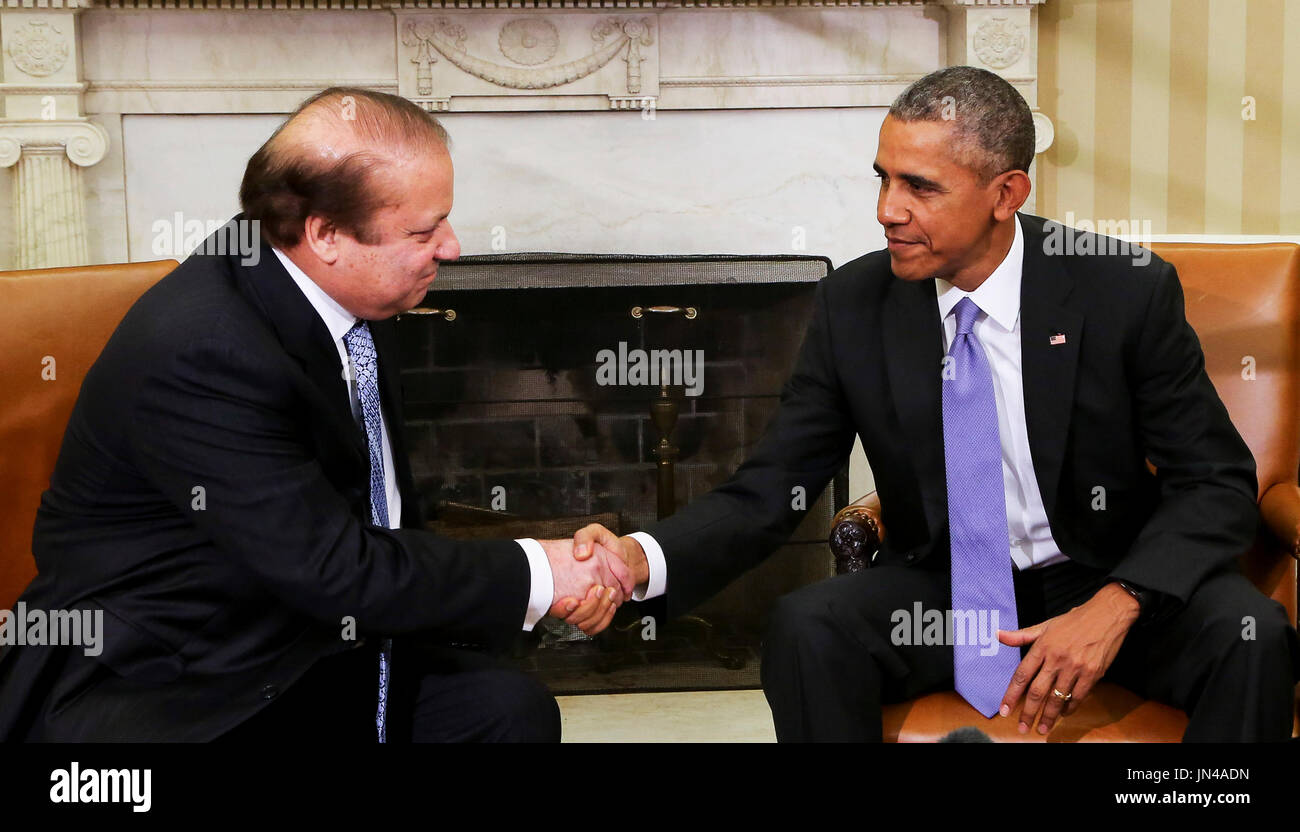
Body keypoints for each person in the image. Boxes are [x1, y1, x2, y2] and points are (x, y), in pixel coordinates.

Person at [564, 66, 1300, 742]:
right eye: (883, 179)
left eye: (921, 187)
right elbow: (770, 488)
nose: (888, 210)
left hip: (1110, 579)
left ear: (1006, 194)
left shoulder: (1123, 291)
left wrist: (1118, 603)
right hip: (948, 596)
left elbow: (1215, 480)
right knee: (807, 624)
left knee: (1252, 633)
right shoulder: (854, 305)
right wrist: (637, 559)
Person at [0, 87, 632, 742]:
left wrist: (534, 584)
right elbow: (335, 567)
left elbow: (375, 519)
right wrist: (543, 571)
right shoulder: (204, 350)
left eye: (443, 220)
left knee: (508, 712)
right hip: (178, 674)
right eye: (423, 230)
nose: (452, 246)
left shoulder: (341, 290)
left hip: (307, 629)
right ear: (325, 234)